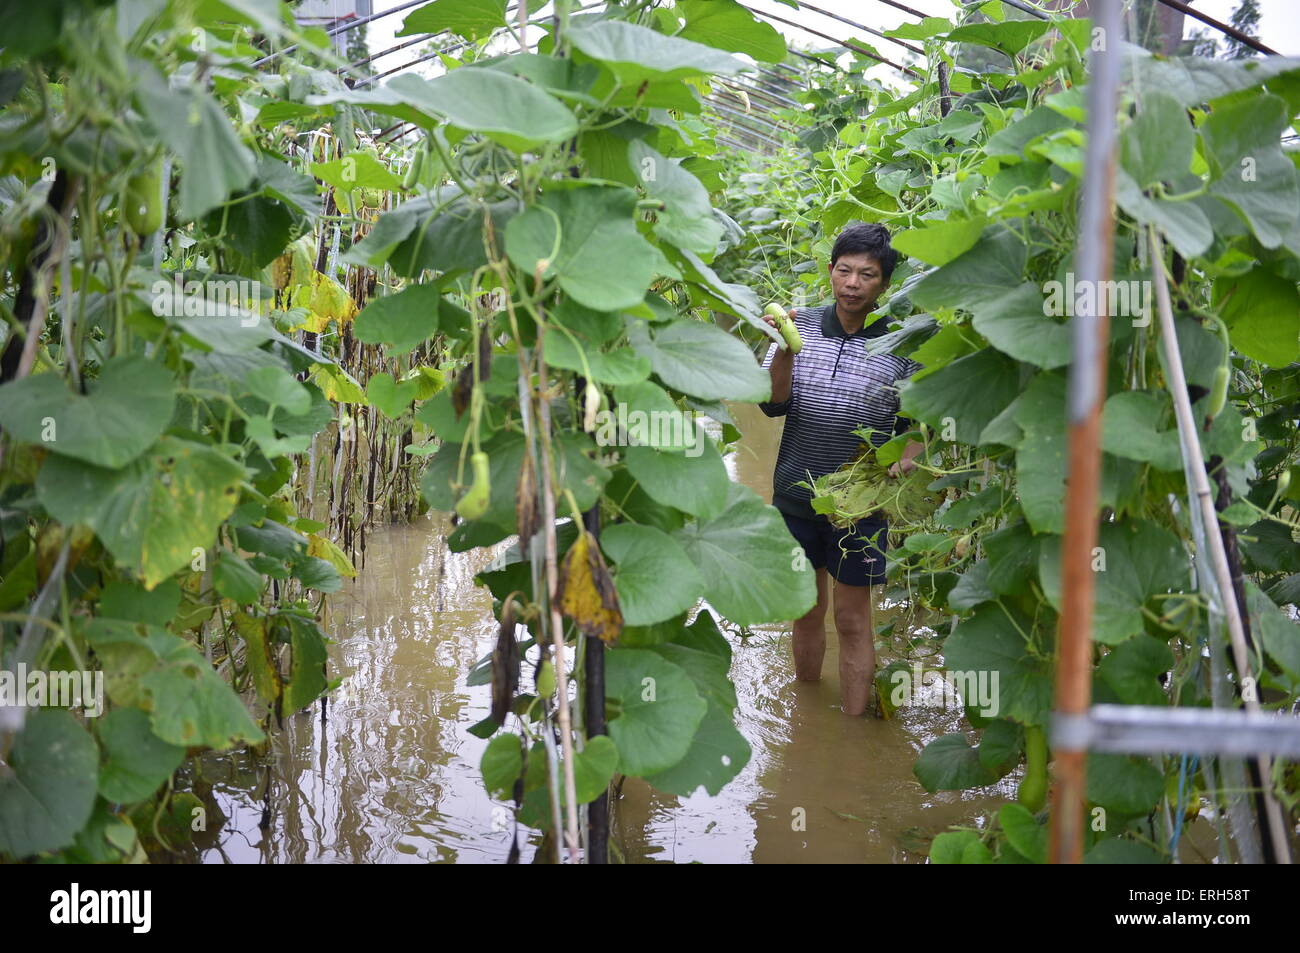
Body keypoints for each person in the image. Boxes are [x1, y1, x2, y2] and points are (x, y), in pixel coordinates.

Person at [758, 223, 924, 717]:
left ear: (884, 284)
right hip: (794, 493)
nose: (853, 283)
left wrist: (910, 452)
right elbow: (771, 406)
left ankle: (851, 727)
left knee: (853, 619)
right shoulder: (797, 325)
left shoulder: (902, 343)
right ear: (830, 272)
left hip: (861, 503)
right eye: (845, 271)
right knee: (805, 610)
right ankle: (808, 717)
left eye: (867, 275)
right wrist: (783, 354)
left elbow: (915, 422)